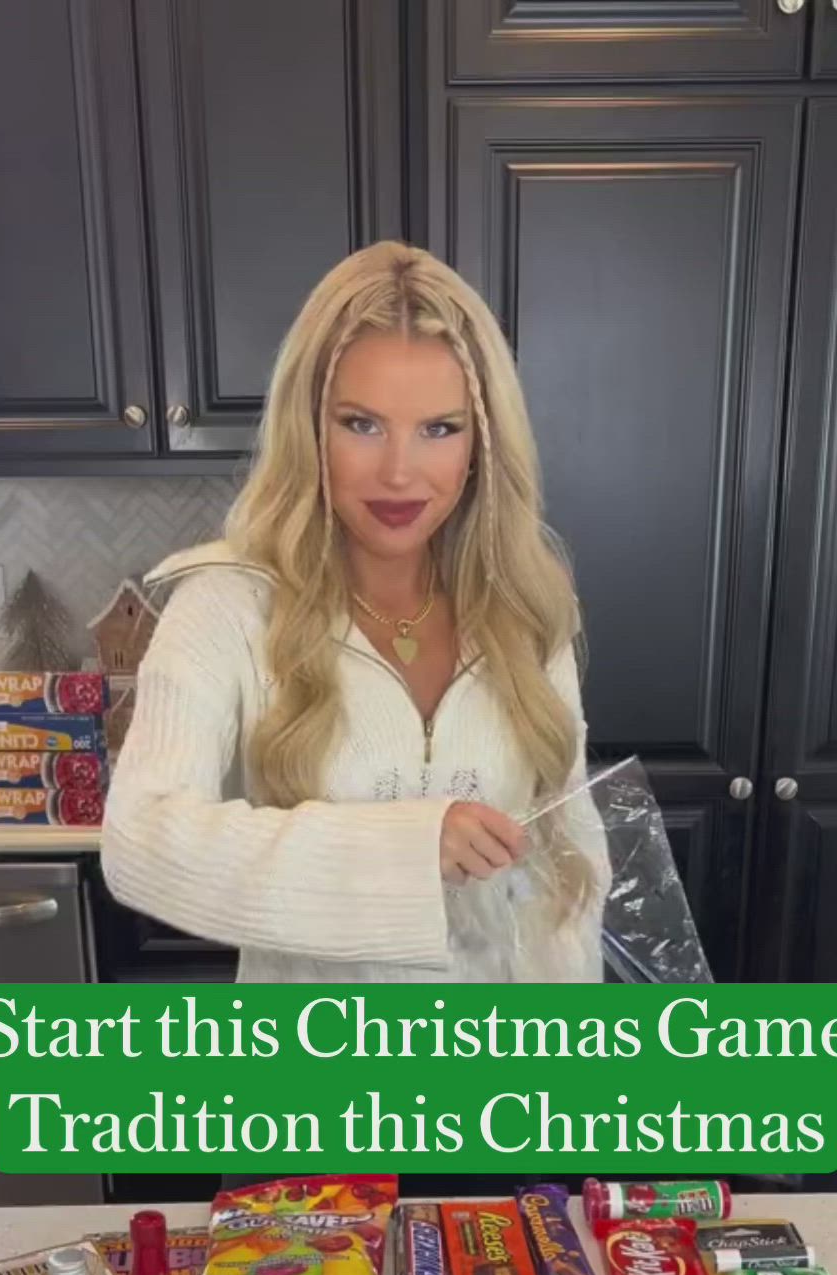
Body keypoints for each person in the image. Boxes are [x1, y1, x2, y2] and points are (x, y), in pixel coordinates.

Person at [101, 242, 610, 983]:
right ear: (309, 427)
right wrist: (405, 850)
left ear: (482, 442)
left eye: (440, 428)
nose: (400, 471)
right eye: (361, 424)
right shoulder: (226, 607)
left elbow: (570, 857)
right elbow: (140, 844)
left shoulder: (524, 605)